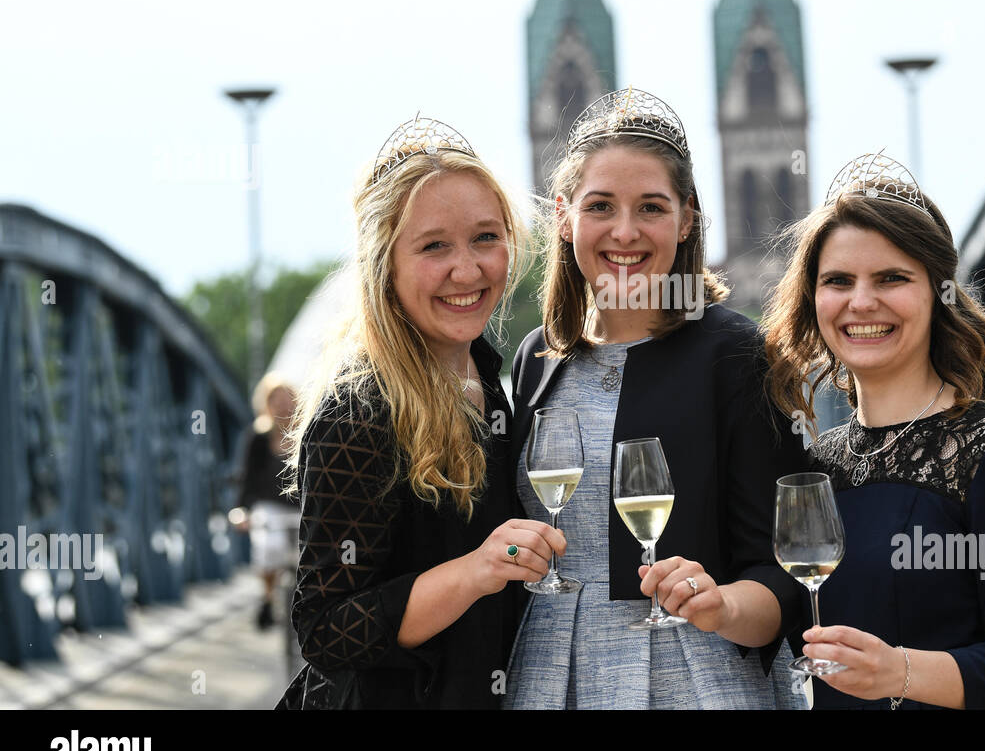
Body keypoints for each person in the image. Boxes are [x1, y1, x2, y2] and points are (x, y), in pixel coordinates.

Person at [504, 87, 809, 710]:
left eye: (651, 206)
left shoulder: (734, 351)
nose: (625, 231)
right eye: (600, 206)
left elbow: (783, 574)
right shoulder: (537, 357)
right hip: (545, 677)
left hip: (693, 677)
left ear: (687, 216)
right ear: (564, 217)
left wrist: (719, 603)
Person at [276, 117, 565, 709]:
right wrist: (475, 570)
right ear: (385, 265)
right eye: (435, 246)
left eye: (486, 237)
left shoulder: (486, 376)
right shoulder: (359, 409)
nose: (468, 269)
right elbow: (325, 629)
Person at [763, 151, 985, 710]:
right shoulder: (816, 467)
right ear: (814, 299)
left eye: (891, 278)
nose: (861, 301)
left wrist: (899, 672)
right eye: (838, 281)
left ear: (938, 294)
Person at [235, 372, 299, 629]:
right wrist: (241, 511)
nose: (282, 405)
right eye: (276, 399)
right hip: (269, 506)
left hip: (301, 507)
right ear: (266, 404)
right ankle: (268, 596)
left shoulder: (307, 433)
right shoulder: (258, 438)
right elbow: (247, 478)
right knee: (269, 547)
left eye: (287, 399)